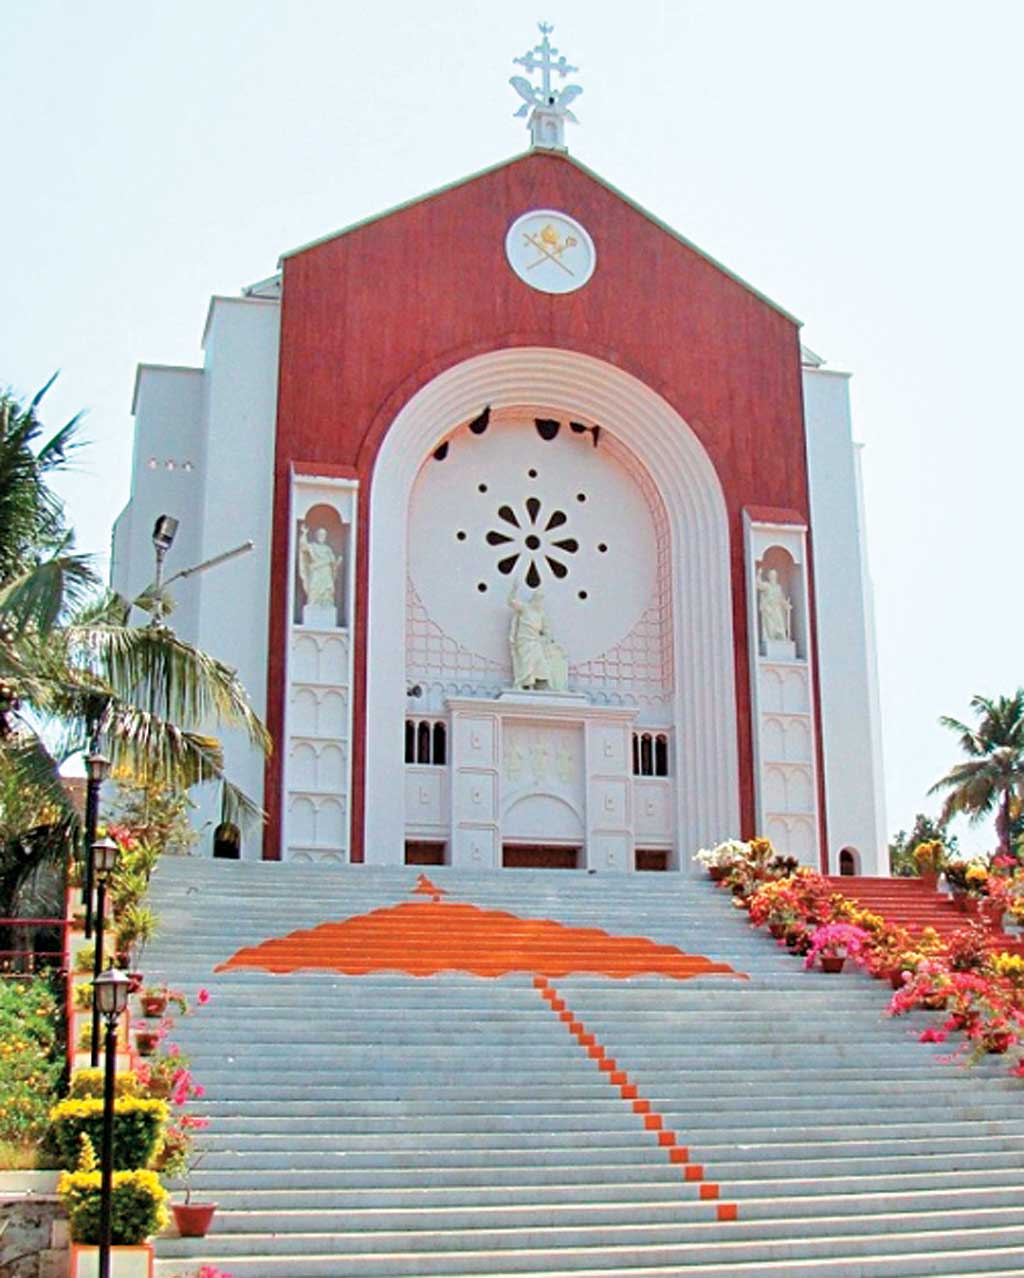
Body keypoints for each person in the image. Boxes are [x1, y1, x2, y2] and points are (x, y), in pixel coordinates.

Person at [507, 584, 568, 691]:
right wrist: (514, 589)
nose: (538, 601)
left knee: (540, 662)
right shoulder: (525, 608)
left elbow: (546, 628)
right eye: (537, 598)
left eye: (540, 599)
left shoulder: (541, 614)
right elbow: (511, 601)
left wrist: (549, 640)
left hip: (535, 642)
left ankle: (541, 683)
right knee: (526, 663)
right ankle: (523, 683)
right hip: (524, 641)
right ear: (534, 598)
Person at [298, 522, 341, 608]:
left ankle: (326, 604)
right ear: (316, 535)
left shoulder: (327, 549)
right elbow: (303, 547)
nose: (322, 536)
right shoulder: (312, 546)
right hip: (316, 572)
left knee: (327, 590)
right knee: (314, 588)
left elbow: (332, 563)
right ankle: (313, 604)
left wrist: (338, 562)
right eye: (320, 534)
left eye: (323, 534)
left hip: (326, 573)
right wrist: (304, 534)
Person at [756, 567, 792, 642]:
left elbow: (781, 598)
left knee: (780, 624)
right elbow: (758, 585)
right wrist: (759, 574)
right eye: (771, 575)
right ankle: (771, 638)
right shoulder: (767, 585)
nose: (773, 576)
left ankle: (781, 638)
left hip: (777, 609)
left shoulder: (778, 587)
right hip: (769, 609)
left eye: (774, 575)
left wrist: (786, 605)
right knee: (770, 626)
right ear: (769, 576)